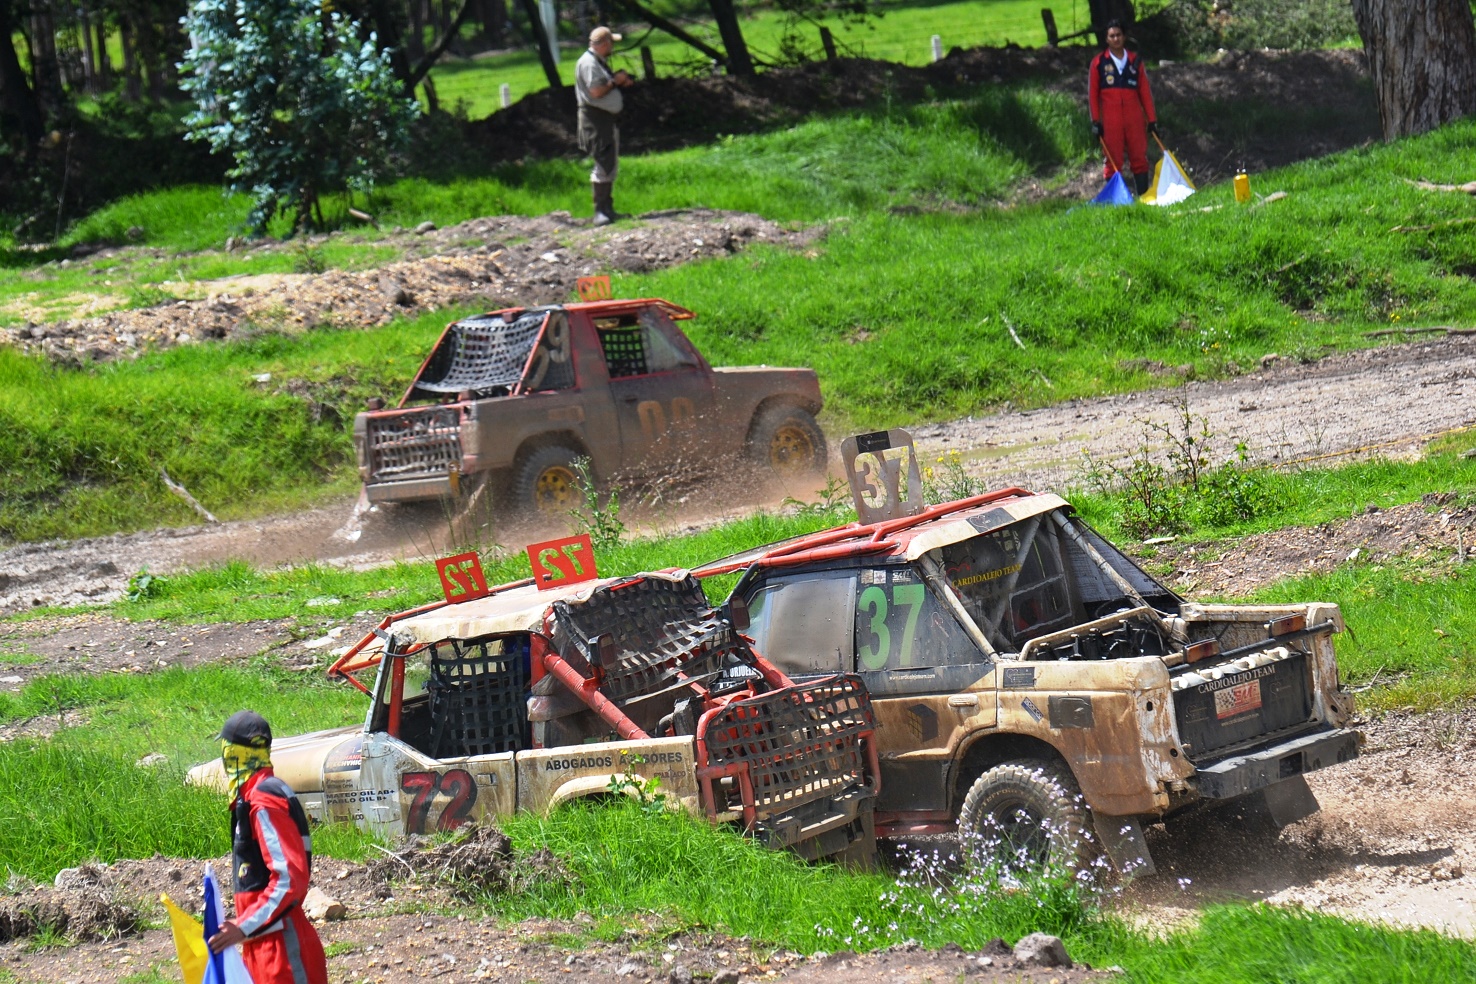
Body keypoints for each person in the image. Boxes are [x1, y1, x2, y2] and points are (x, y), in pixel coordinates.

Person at [206, 710, 328, 984]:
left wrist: (242, 926)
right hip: (263, 949)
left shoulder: (264, 801)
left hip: (283, 955)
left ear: (233, 752)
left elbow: (289, 880)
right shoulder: (256, 797)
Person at [1088, 20, 1158, 197]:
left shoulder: (1135, 62)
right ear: (1107, 39)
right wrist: (1095, 121)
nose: (1116, 39)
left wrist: (1152, 120)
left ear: (1124, 37)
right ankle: (1114, 200)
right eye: (1112, 36)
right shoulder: (1098, 63)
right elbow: (1093, 95)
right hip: (1111, 121)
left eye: (1119, 35)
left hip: (1134, 118)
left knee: (1139, 158)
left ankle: (1143, 198)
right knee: (1113, 160)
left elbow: (1145, 93)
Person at [575, 25, 635, 226]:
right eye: (611, 43)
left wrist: (618, 81)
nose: (612, 48)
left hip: (604, 120)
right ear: (605, 43)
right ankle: (600, 211)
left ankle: (608, 209)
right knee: (603, 163)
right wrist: (615, 82)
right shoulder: (589, 64)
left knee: (609, 162)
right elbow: (596, 92)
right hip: (597, 121)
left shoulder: (596, 62)